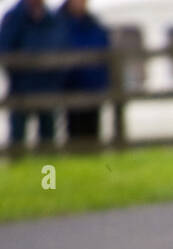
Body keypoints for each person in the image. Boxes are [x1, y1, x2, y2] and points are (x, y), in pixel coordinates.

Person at [0, 0, 66, 147]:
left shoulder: (51, 18)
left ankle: (48, 168)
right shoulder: (14, 18)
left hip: (47, 87)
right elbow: (5, 50)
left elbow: (61, 47)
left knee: (48, 140)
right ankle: (16, 167)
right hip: (20, 87)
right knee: (17, 139)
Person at [57, 0, 107, 142]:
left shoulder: (93, 23)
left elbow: (104, 49)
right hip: (70, 86)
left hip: (92, 85)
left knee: (92, 132)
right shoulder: (59, 24)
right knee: (74, 130)